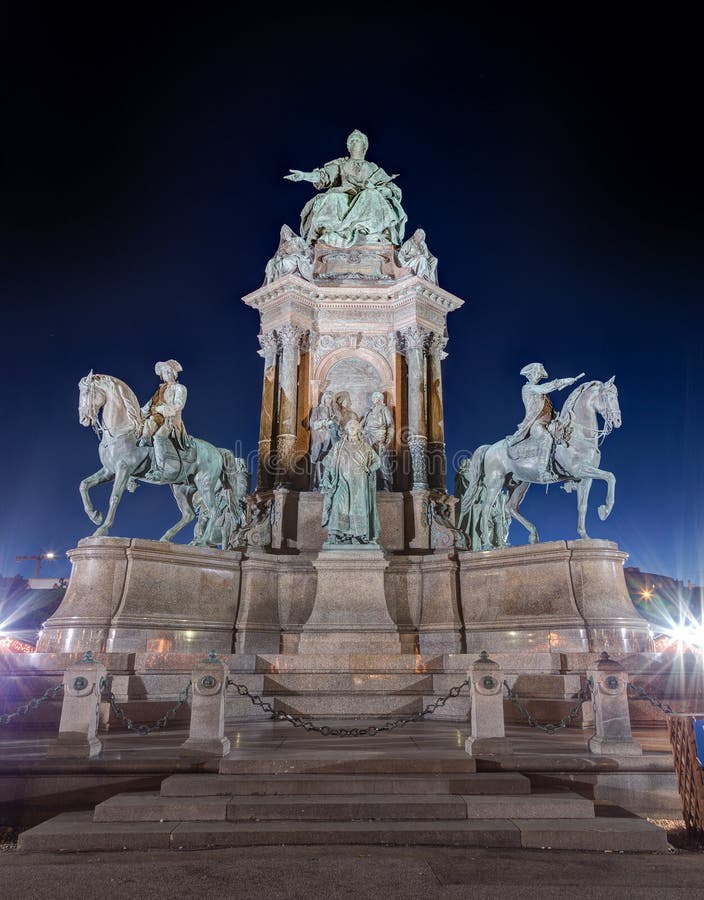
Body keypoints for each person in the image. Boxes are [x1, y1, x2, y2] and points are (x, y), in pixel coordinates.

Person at [284, 129, 407, 248]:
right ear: (348, 147)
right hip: (344, 196)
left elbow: (390, 187)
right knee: (332, 198)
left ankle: (365, 231)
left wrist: (383, 190)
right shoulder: (341, 164)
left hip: (367, 197)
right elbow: (324, 176)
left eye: (358, 140)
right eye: (352, 141)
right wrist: (304, 176)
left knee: (371, 194)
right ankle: (332, 233)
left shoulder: (372, 167)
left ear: (365, 147)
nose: (354, 142)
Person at [508, 362, 584, 475]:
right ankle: (543, 471)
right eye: (537, 374)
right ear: (530, 375)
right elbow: (545, 388)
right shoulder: (528, 388)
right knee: (546, 438)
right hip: (536, 424)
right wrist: (564, 381)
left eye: (539, 375)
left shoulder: (542, 394)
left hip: (549, 423)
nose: (538, 377)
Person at [321, 419, 381, 544]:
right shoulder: (338, 446)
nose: (352, 427)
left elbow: (377, 461)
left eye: (355, 425)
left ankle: (359, 534)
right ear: (346, 429)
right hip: (341, 482)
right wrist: (326, 477)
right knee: (338, 504)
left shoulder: (365, 446)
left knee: (358, 508)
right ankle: (337, 533)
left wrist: (369, 469)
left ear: (358, 429)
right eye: (350, 425)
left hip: (360, 483)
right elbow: (328, 462)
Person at [139, 359, 190, 481]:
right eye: (164, 373)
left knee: (158, 437)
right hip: (156, 419)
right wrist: (136, 414)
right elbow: (148, 407)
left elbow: (178, 405)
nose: (166, 375)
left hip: (171, 420)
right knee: (142, 433)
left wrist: (163, 409)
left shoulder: (180, 388)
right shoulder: (159, 391)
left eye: (168, 372)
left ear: (173, 373)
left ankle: (160, 470)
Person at [361, 391, 395, 491]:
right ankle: (369, 483)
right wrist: (361, 431)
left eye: (376, 397)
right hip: (367, 437)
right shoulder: (369, 411)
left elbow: (390, 424)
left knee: (381, 459)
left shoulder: (384, 409)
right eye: (374, 397)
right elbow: (362, 424)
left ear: (381, 399)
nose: (375, 399)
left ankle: (386, 483)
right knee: (368, 460)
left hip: (379, 437)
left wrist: (389, 436)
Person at [308, 390, 338, 490]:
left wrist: (335, 422)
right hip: (320, 437)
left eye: (331, 398)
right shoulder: (317, 409)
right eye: (328, 398)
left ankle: (330, 481)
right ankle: (317, 482)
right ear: (324, 398)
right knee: (318, 458)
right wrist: (325, 422)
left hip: (332, 439)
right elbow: (312, 423)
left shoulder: (334, 411)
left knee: (331, 458)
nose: (329, 400)